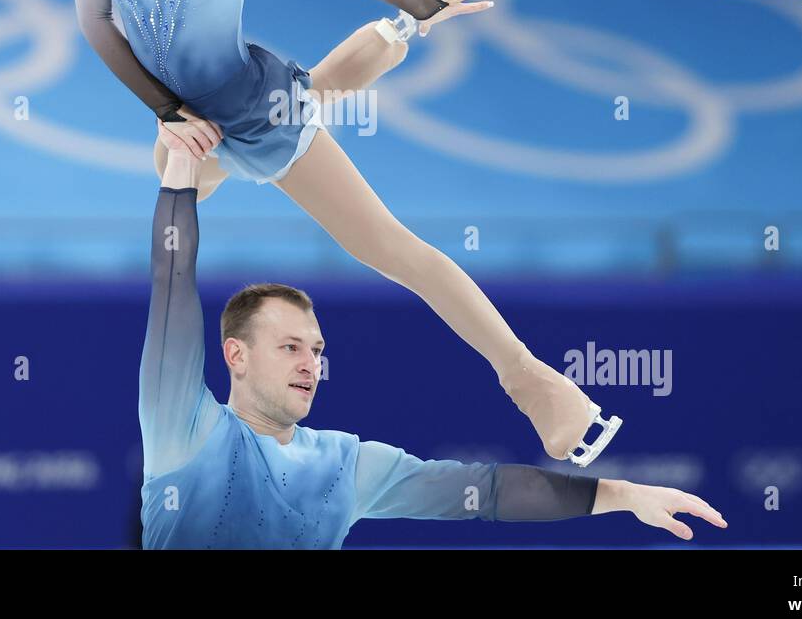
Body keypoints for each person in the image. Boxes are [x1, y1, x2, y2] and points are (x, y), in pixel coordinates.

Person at [70, 0, 615, 463]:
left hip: (252, 106)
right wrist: (166, 109)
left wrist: (418, 1)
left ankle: (534, 381)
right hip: (187, 120)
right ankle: (345, 68)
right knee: (178, 178)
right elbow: (95, 20)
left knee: (390, 247)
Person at [140, 142, 727, 548]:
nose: (311, 364)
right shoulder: (184, 430)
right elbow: (172, 281)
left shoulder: (347, 466)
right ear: (235, 356)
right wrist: (180, 177)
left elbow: (487, 492)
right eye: (290, 347)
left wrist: (621, 494)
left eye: (317, 350)